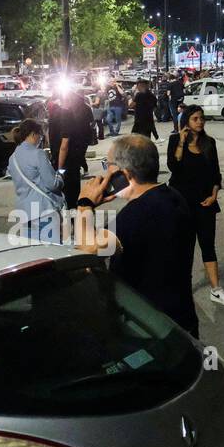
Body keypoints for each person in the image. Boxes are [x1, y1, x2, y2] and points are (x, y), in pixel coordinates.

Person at [75, 133, 200, 337]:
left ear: (124, 174)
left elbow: (86, 252)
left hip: (148, 329)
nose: (105, 175)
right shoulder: (173, 196)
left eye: (108, 167)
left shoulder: (136, 214)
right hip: (181, 320)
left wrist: (84, 205)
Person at [167, 106, 224, 306]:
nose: (200, 122)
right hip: (181, 204)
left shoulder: (209, 143)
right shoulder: (174, 140)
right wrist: (180, 141)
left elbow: (215, 174)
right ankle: (182, 288)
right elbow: (173, 166)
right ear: (186, 121)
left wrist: (214, 195)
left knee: (207, 245)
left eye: (202, 118)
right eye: (195, 118)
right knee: (183, 247)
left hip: (205, 203)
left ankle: (216, 288)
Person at [8, 117, 65, 243]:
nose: (41, 139)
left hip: (24, 212)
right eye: (40, 136)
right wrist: (60, 176)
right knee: (51, 252)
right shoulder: (38, 154)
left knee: (34, 253)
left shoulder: (12, 158)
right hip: (43, 210)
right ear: (34, 134)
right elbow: (52, 184)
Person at [47, 92, 88, 210]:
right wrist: (60, 168)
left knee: (62, 196)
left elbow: (50, 138)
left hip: (57, 159)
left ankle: (66, 222)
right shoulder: (67, 116)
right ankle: (73, 223)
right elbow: (65, 144)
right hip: (68, 163)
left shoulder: (53, 115)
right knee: (72, 196)